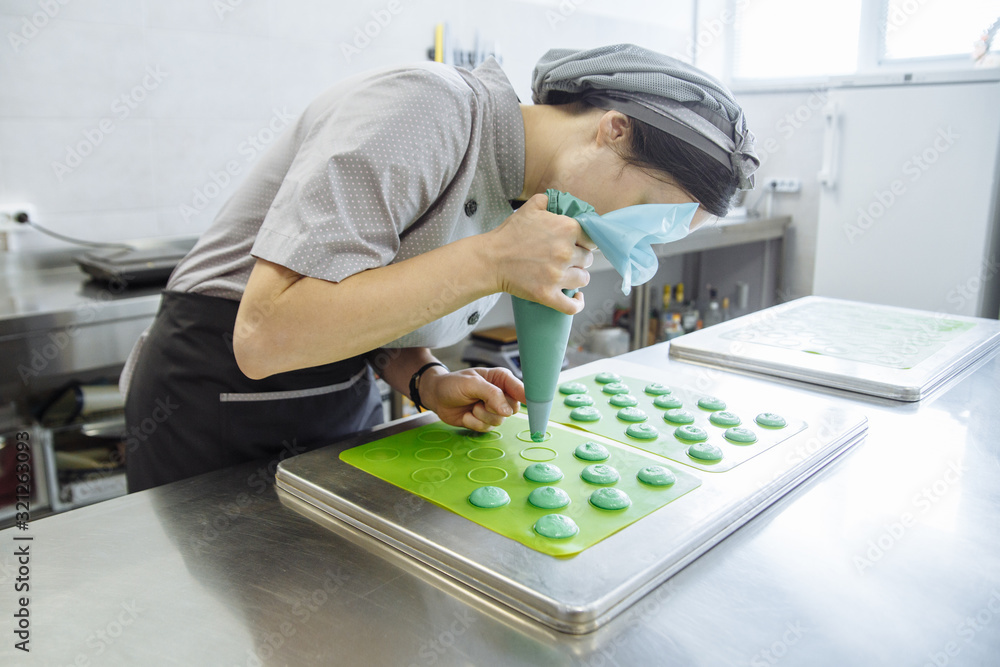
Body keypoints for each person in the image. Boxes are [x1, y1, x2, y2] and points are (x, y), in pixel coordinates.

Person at [121, 43, 759, 492]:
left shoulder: (517, 189)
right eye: (643, 212)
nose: (623, 242)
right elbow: (267, 336)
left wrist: (425, 378)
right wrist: (492, 259)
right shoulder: (427, 106)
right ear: (613, 130)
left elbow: (364, 294)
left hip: (335, 401)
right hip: (216, 400)